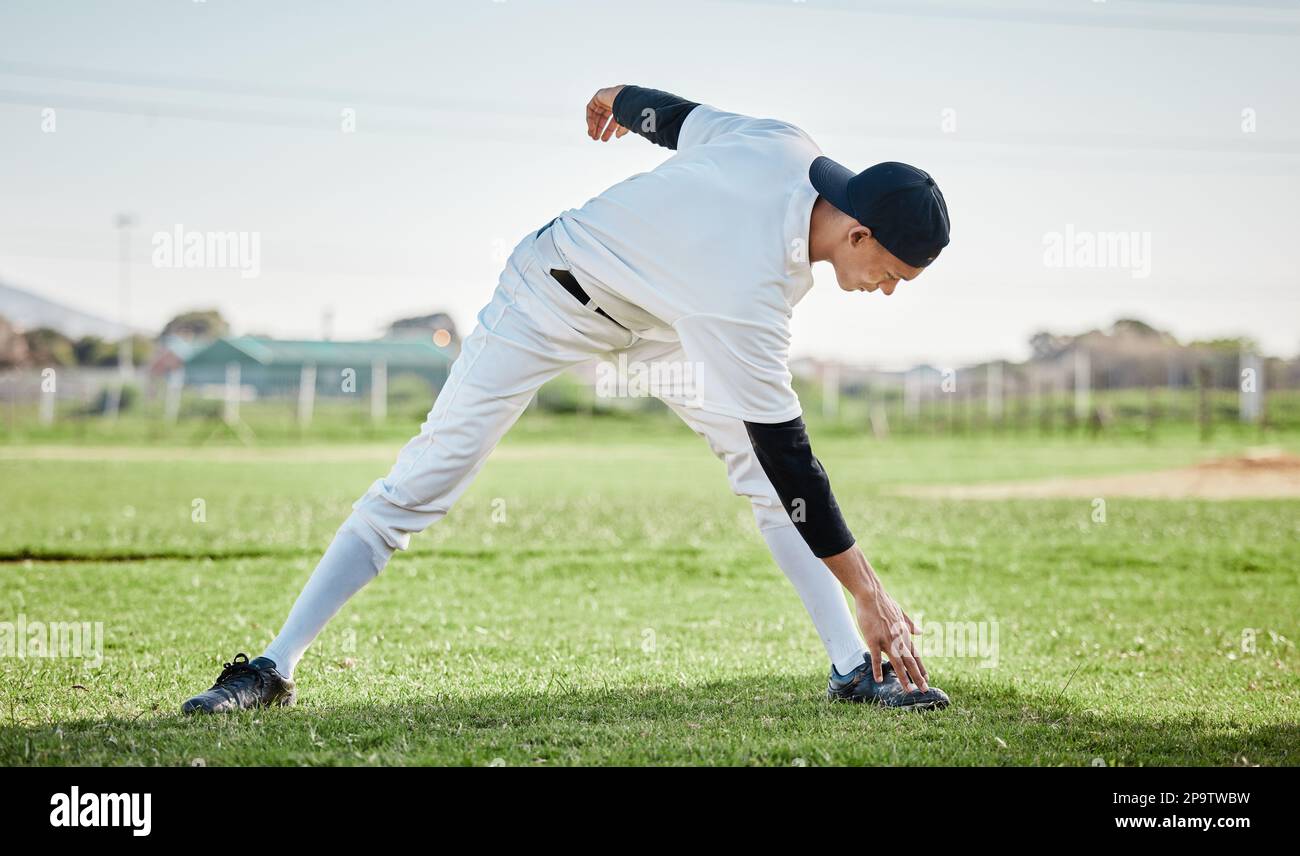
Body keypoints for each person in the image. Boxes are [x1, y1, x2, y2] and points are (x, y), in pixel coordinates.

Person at [182, 83, 953, 715]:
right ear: (856, 232)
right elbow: (796, 462)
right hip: (548, 297)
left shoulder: (785, 146)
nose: (886, 289)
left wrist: (620, 99)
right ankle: (272, 668)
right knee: (427, 477)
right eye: (892, 272)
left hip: (660, 324)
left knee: (754, 471)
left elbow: (682, 121)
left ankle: (855, 670)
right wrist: (873, 593)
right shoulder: (747, 286)